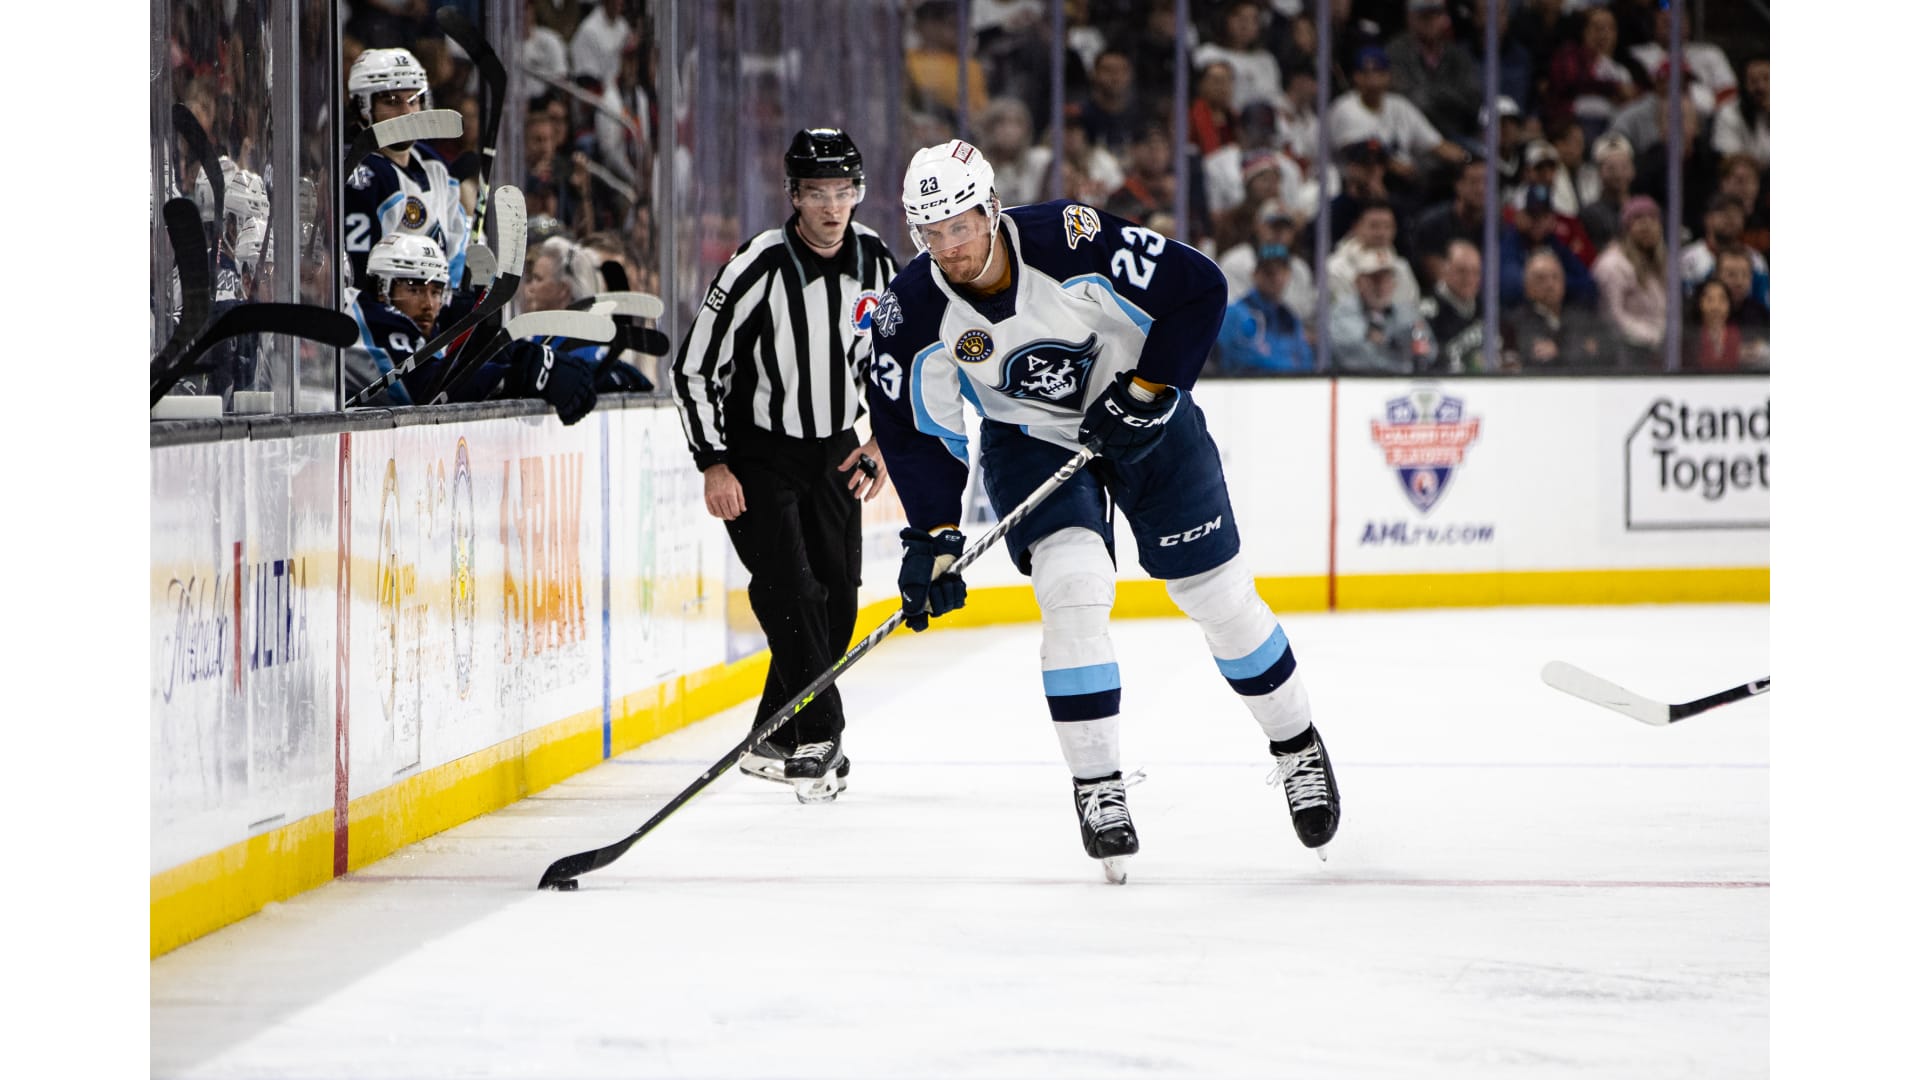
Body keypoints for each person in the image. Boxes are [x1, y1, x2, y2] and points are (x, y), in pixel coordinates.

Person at [868, 139, 1341, 880]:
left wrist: (1150, 392)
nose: (951, 248)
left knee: (1218, 598)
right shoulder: (912, 311)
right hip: (1029, 438)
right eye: (933, 234)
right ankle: (1099, 789)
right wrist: (933, 534)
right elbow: (917, 427)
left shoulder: (1069, 237)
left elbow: (1199, 288)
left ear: (992, 207)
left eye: (961, 225)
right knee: (1074, 592)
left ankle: (1297, 746)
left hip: (1147, 413)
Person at [670, 129, 900, 802]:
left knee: (842, 600)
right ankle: (821, 732)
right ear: (793, 196)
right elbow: (693, 367)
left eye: (842, 192)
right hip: (757, 452)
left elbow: (897, 359)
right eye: (816, 193)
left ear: (858, 192)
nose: (832, 208)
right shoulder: (757, 263)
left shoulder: (878, 259)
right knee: (791, 589)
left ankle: (774, 733)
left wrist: (880, 442)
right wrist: (714, 463)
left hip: (835, 448)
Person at [343, 232, 597, 419]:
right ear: (381, 288)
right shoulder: (370, 316)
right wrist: (513, 374)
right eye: (415, 289)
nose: (428, 305)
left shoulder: (418, 326)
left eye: (435, 291)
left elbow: (445, 371)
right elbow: (425, 387)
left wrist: (508, 354)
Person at [343, 48, 472, 291]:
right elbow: (358, 276)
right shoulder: (361, 173)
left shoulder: (434, 165)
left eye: (413, 100)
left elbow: (455, 251)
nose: (405, 112)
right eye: (391, 101)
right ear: (363, 106)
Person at [1503, 248, 1615, 370]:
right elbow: (1532, 361)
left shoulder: (1582, 317)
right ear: (1527, 285)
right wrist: (1582, 349)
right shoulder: (1515, 322)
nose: (1550, 284)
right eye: (1541, 278)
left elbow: (1607, 351)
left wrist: (1559, 351)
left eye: (1555, 277)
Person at [1590, 196, 1667, 368]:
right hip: (1626, 353)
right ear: (1625, 227)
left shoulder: (1661, 264)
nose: (1647, 224)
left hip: (1660, 349)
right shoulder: (1613, 264)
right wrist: (1651, 336)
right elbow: (1612, 316)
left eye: (1652, 218)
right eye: (1638, 218)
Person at [1215, 243, 1316, 374]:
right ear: (1255, 274)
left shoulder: (1290, 319)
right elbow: (1240, 359)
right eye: (1268, 272)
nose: (1275, 278)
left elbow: (1306, 360)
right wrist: (1288, 368)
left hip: (1290, 388)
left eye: (1281, 271)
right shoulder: (1235, 314)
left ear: (1288, 275)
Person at [1330, 247, 1436, 373]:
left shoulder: (1408, 313)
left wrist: (1384, 341)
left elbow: (1428, 352)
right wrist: (1397, 348)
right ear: (1358, 283)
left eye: (1386, 278)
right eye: (1374, 278)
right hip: (1355, 384)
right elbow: (1358, 354)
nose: (1380, 285)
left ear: (1394, 283)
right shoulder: (1343, 312)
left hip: (1402, 384)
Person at [1419, 239, 1493, 373]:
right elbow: (1423, 358)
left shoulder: (1487, 307)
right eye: (1462, 271)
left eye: (1475, 272)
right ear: (1445, 269)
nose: (1469, 278)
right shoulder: (1429, 310)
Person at [1685, 278, 1741, 373]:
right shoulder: (1690, 337)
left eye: (1722, 300)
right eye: (1709, 299)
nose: (1716, 307)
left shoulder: (1736, 333)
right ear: (1699, 303)